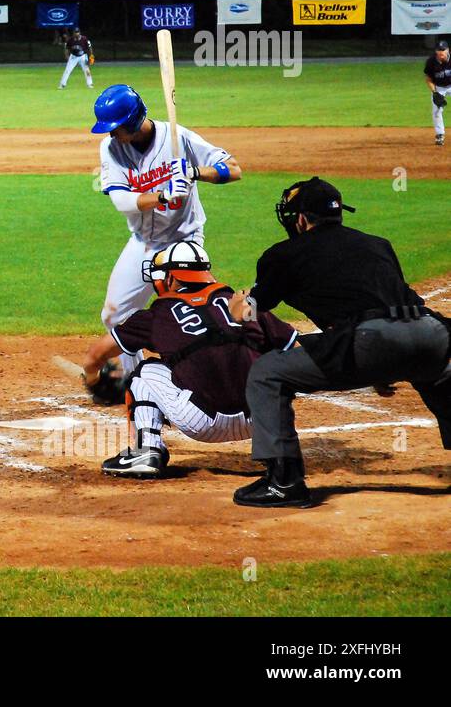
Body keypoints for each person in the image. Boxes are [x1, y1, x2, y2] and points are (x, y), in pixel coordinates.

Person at [227, 177, 451, 507]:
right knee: (436, 374)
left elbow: (248, 314)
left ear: (301, 219)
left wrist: (237, 303)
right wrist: (385, 363)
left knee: (267, 373)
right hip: (432, 332)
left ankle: (284, 482)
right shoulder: (378, 244)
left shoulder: (284, 255)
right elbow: (399, 303)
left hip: (370, 341)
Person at [81, 241, 299, 478]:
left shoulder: (158, 315)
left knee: (144, 372)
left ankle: (146, 451)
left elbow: (95, 355)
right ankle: (279, 454)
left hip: (201, 423)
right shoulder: (246, 303)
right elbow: (293, 348)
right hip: (260, 421)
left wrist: (93, 381)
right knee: (269, 359)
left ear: (172, 278)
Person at [93, 84, 242, 377]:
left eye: (115, 128)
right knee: (113, 315)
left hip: (183, 244)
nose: (111, 134)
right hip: (144, 243)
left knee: (196, 312)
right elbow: (122, 201)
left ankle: (214, 371)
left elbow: (233, 169)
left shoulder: (179, 138)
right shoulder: (111, 148)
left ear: (132, 122)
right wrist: (162, 195)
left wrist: (194, 172)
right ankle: (134, 382)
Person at [424, 39, 450, 146]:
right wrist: (434, 92)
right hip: (439, 87)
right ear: (436, 51)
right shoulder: (431, 62)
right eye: (439, 50)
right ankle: (440, 135)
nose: (441, 52)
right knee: (436, 110)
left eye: (443, 50)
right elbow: (428, 79)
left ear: (448, 50)